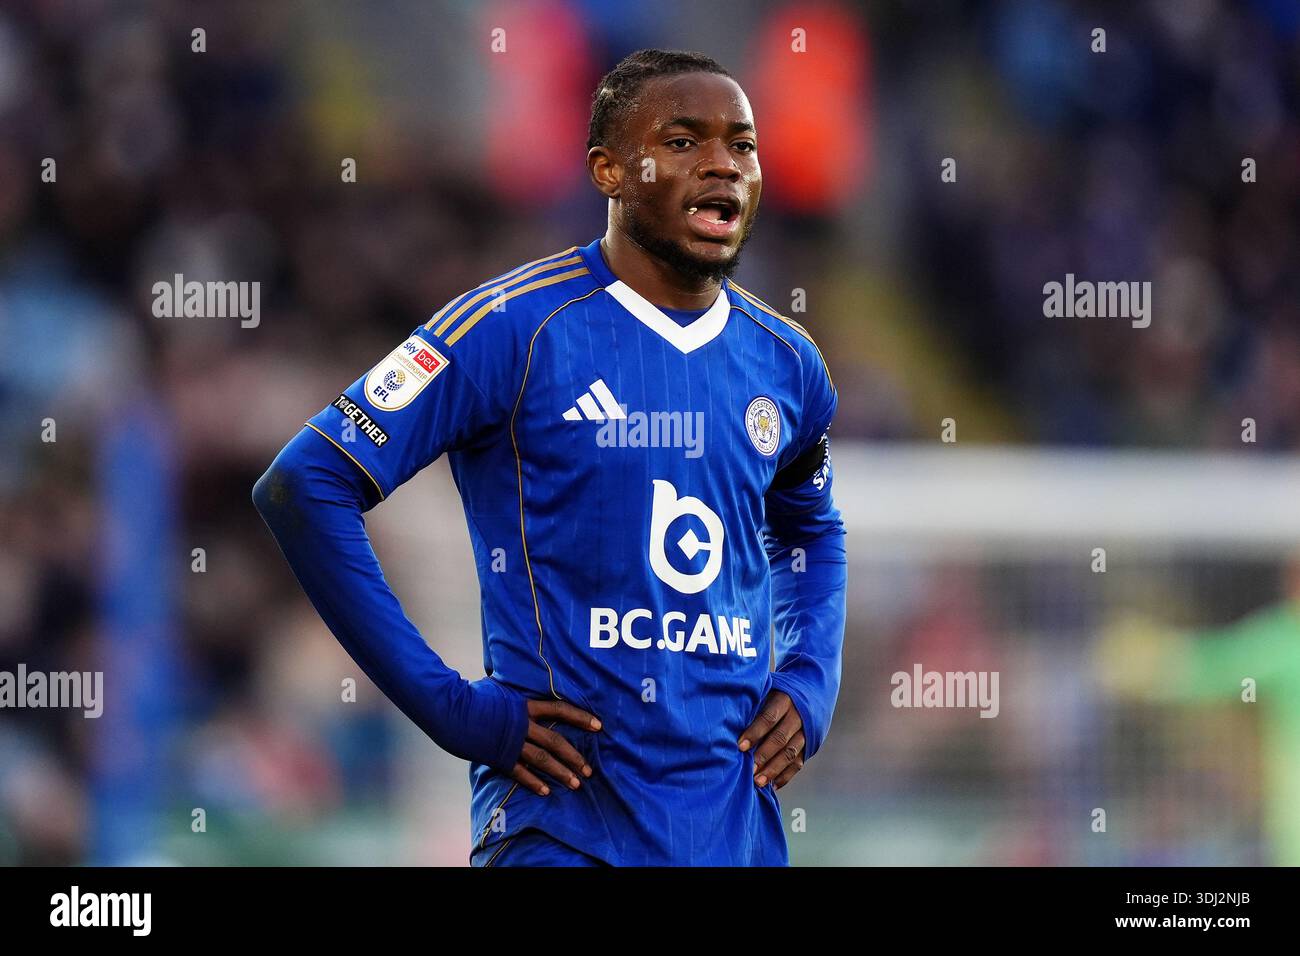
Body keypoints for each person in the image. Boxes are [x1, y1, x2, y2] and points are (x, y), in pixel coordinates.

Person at [253, 48, 847, 866]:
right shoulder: (511, 328)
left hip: (735, 836)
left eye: (741, 144)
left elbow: (811, 532)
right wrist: (455, 710)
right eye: (682, 141)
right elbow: (304, 484)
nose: (722, 164)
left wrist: (810, 678)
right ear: (608, 170)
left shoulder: (786, 363)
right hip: (563, 832)